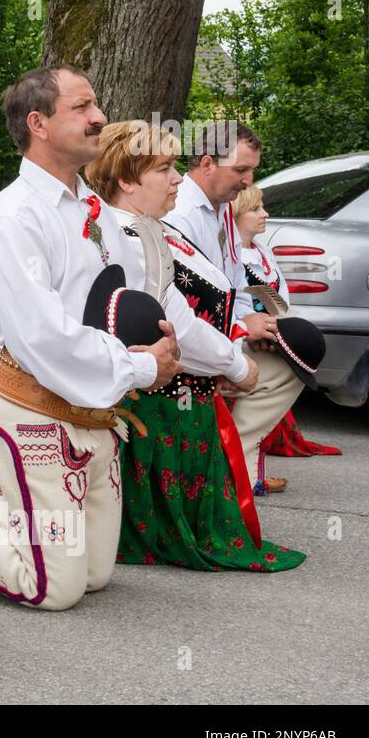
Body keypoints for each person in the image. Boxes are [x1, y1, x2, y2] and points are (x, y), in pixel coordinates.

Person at [0, 67, 181, 610]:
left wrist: (160, 346)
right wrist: (142, 368)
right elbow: (43, 334)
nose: (100, 118)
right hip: (38, 413)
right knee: (54, 587)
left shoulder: (94, 212)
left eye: (97, 105)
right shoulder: (12, 217)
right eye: (83, 107)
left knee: (96, 575)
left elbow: (130, 298)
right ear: (39, 123)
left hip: (96, 411)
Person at [83, 120, 303, 571]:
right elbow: (174, 320)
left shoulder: (151, 230)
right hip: (159, 399)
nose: (178, 178)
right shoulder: (131, 235)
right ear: (126, 180)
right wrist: (237, 364)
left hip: (184, 392)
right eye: (164, 168)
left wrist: (230, 350)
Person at [163, 124, 304, 493]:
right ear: (207, 163)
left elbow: (234, 282)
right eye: (240, 170)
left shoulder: (220, 207)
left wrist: (253, 318)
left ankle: (232, 459)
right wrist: (241, 331)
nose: (248, 180)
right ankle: (231, 463)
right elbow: (188, 307)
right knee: (291, 361)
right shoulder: (180, 213)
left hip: (218, 332)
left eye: (252, 170)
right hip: (187, 346)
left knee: (299, 345)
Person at [233, 184, 338, 466]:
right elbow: (236, 305)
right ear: (237, 213)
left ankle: (251, 468)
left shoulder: (262, 252)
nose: (265, 214)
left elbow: (278, 301)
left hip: (267, 332)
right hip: (241, 337)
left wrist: (282, 327)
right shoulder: (230, 255)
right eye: (256, 209)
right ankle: (242, 463)